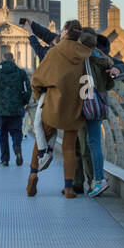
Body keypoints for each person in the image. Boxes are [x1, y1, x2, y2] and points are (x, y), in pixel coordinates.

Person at [26, 26, 101, 199]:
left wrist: (39, 94)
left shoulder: (54, 52)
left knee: (41, 140)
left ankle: (33, 174)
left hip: (53, 104)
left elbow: (38, 78)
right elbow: (88, 80)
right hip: (74, 107)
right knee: (69, 148)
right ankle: (68, 188)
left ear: (65, 34)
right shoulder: (86, 54)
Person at [78, 33, 124, 197]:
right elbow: (109, 83)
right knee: (94, 142)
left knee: (91, 143)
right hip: (98, 104)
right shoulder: (103, 59)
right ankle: (98, 179)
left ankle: (99, 180)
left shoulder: (81, 60)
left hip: (85, 104)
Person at [0, 50, 31, 166]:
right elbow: (28, 90)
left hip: (2, 109)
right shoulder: (21, 73)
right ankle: (17, 147)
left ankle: (5, 160)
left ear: (2, 60)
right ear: (13, 60)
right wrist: (24, 102)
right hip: (16, 108)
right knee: (17, 132)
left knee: (3, 134)